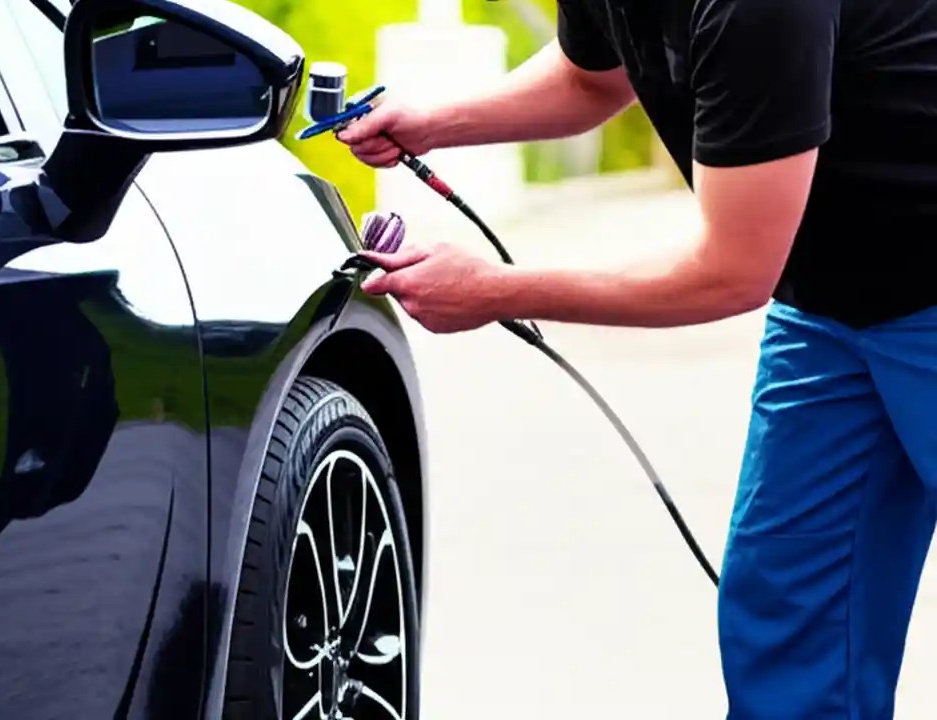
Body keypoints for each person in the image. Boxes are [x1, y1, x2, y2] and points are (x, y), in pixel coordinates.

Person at [336, 0, 937, 717]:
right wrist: (434, 122)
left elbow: (731, 271)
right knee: (787, 610)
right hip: (831, 305)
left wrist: (494, 291)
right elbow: (592, 79)